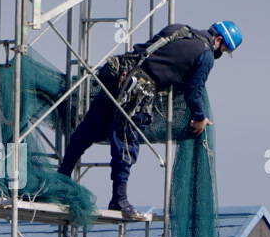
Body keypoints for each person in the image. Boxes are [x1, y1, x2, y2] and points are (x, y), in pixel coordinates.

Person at [57, 20, 243, 220]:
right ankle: (119, 199)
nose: (221, 53)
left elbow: (155, 55)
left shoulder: (179, 29)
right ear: (218, 40)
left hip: (119, 73)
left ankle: (60, 179)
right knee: (126, 142)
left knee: (88, 130)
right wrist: (199, 118)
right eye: (224, 49)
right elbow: (193, 91)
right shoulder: (205, 55)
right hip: (138, 89)